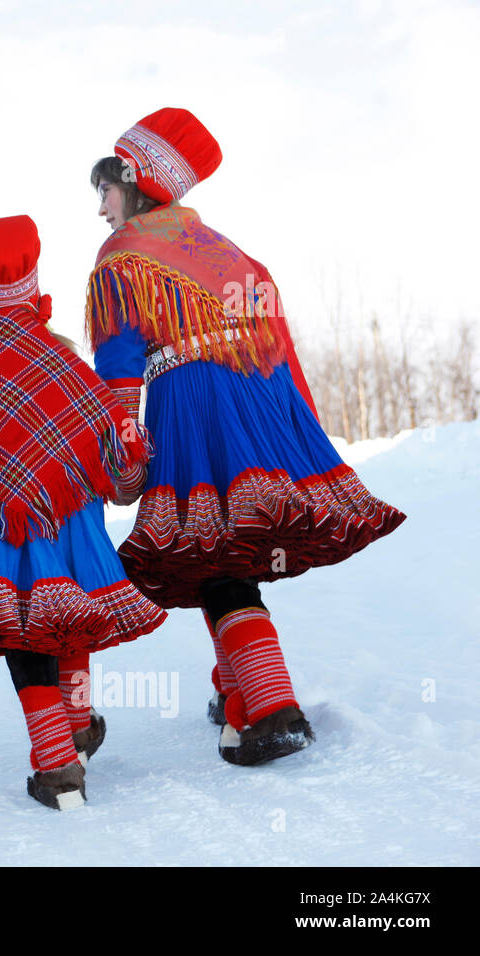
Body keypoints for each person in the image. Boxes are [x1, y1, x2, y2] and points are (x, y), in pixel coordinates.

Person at [85, 108, 406, 765]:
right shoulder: (239, 255)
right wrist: (304, 434)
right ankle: (236, 693)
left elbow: (118, 367)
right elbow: (282, 354)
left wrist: (122, 455)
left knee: (211, 548)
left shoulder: (126, 252)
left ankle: (274, 708)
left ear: (138, 179)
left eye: (106, 191)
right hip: (263, 402)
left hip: (195, 405)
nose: (101, 210)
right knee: (225, 548)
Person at [0, 215, 166, 809]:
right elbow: (120, 463)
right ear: (34, 274)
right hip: (73, 534)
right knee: (67, 614)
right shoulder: (71, 368)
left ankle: (57, 766)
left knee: (21, 630)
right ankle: (74, 728)